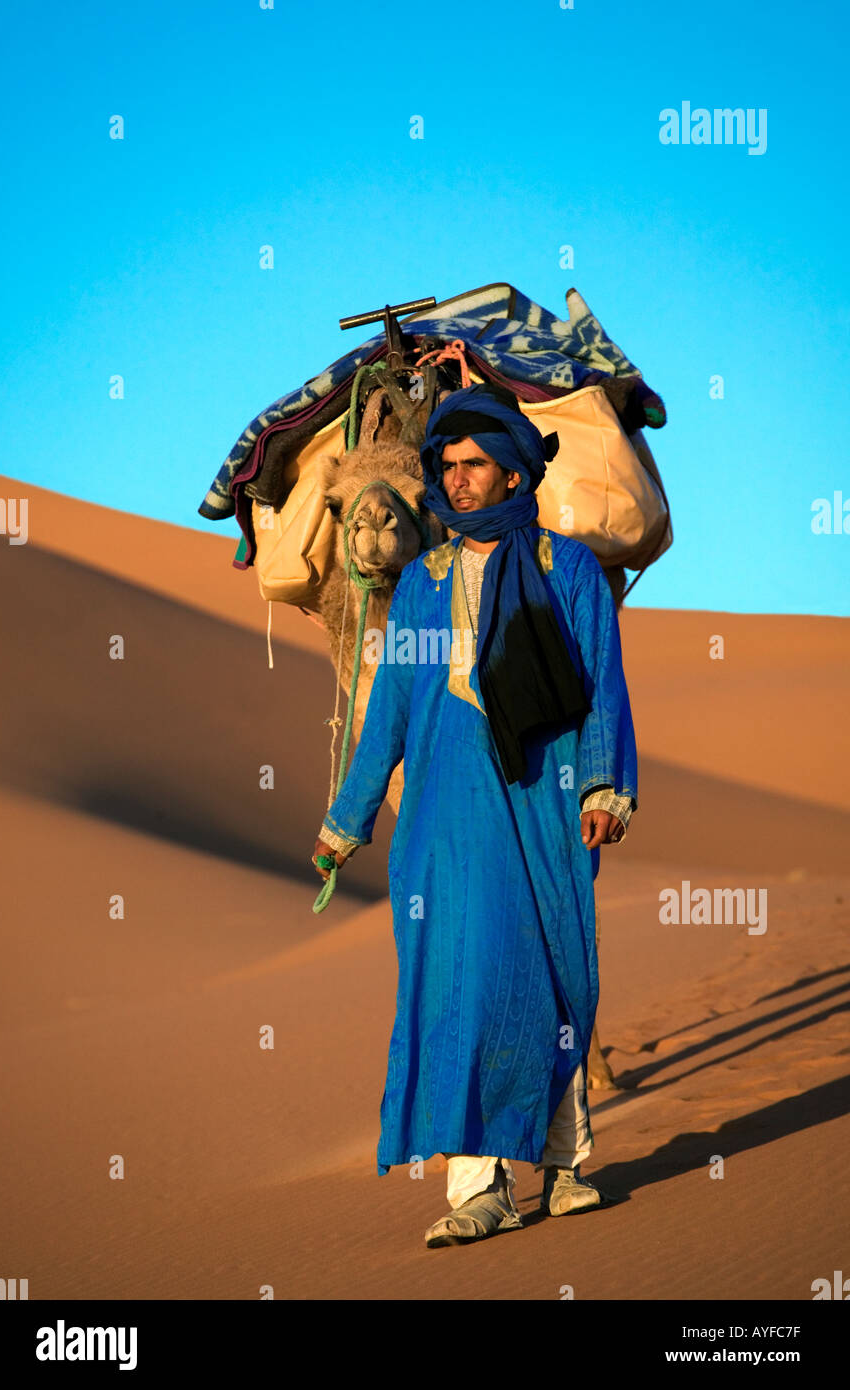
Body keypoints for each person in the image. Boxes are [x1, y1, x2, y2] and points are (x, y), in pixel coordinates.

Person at [312, 382, 637, 1247]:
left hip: (547, 801)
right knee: (460, 985)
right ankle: (477, 1189)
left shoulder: (566, 571)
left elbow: (603, 687)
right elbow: (388, 709)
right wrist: (347, 821)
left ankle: (564, 1165)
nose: (456, 482)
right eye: (446, 467)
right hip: (446, 826)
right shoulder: (421, 585)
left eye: (473, 466)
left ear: (511, 474)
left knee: (556, 978)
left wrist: (605, 788)